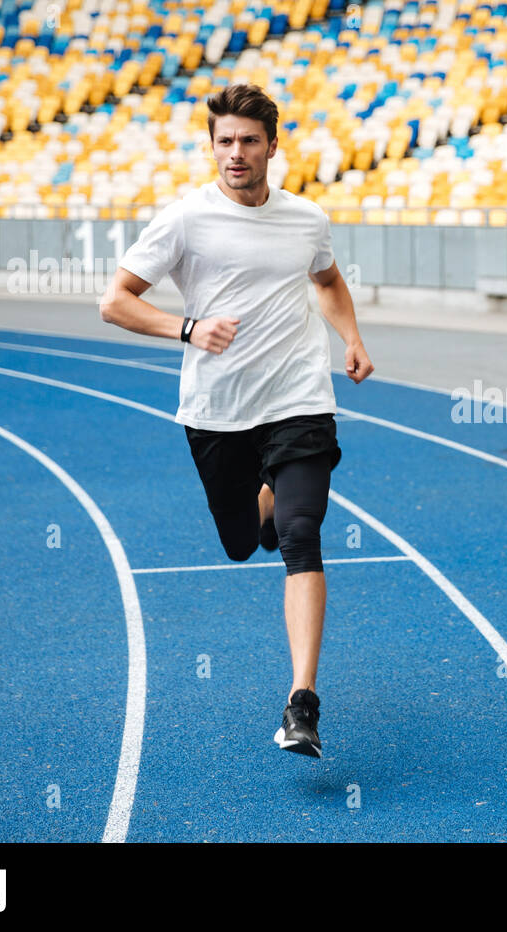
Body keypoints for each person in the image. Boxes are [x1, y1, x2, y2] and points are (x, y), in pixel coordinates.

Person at [99, 83, 375, 758]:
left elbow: (328, 280)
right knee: (239, 540)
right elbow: (115, 302)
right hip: (218, 410)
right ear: (211, 146)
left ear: (272, 147)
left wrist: (352, 338)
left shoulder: (306, 218)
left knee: (299, 535)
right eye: (225, 140)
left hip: (299, 397)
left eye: (250, 140)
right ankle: (261, 498)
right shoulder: (185, 220)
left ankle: (301, 706)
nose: (236, 153)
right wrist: (187, 327)